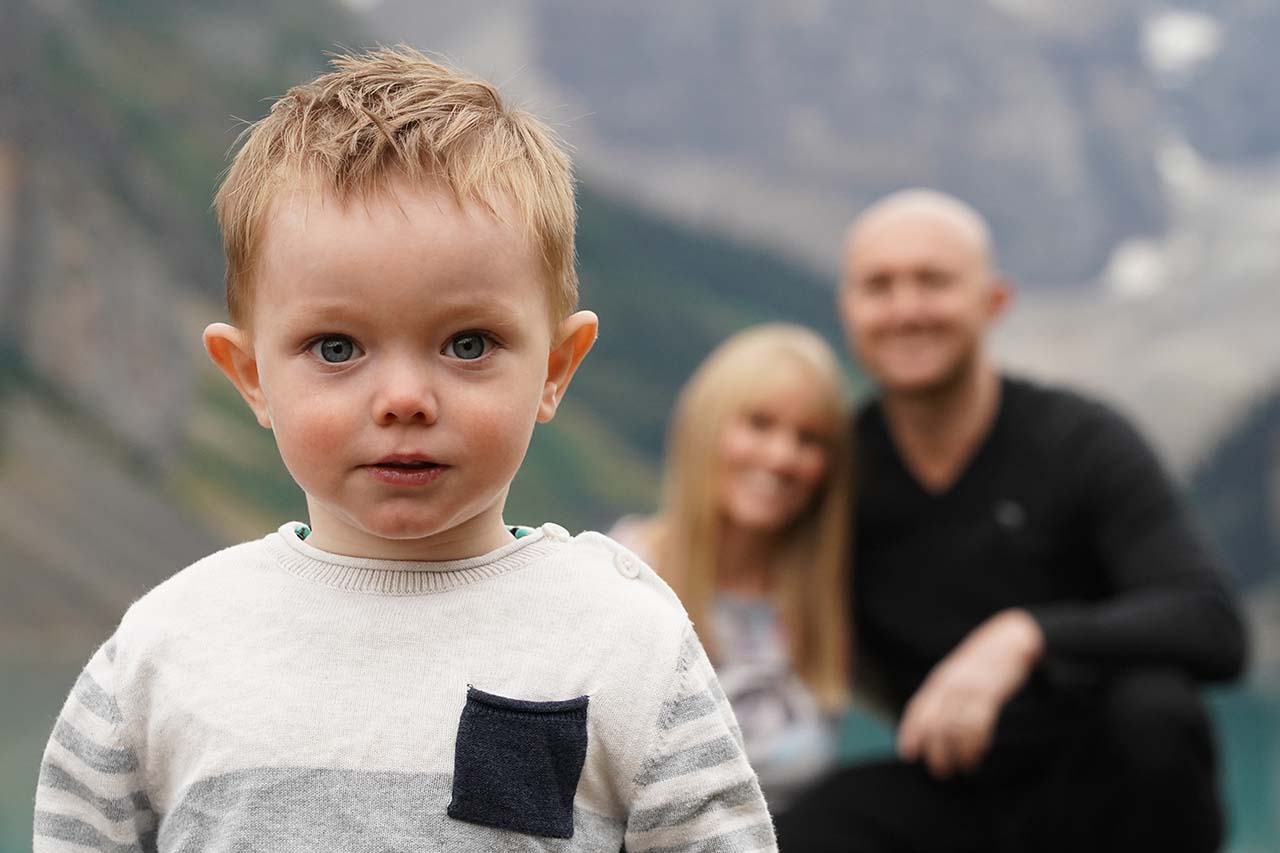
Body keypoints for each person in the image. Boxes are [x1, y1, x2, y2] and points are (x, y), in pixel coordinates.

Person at [32, 48, 776, 853]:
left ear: (556, 368)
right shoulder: (164, 651)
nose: (404, 398)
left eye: (466, 342)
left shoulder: (625, 643)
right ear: (249, 376)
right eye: (336, 347)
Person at [775, 189, 1248, 852]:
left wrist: (1024, 635)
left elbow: (1213, 622)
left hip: (1108, 787)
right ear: (848, 311)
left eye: (933, 280)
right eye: (879, 286)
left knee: (1156, 709)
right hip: (957, 786)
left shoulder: (1080, 440)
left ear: (994, 300)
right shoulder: (842, 471)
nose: (906, 308)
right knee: (806, 831)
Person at [610, 323, 853, 814]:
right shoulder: (629, 571)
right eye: (760, 424)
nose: (783, 457)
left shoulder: (820, 599)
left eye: (809, 439)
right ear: (707, 428)